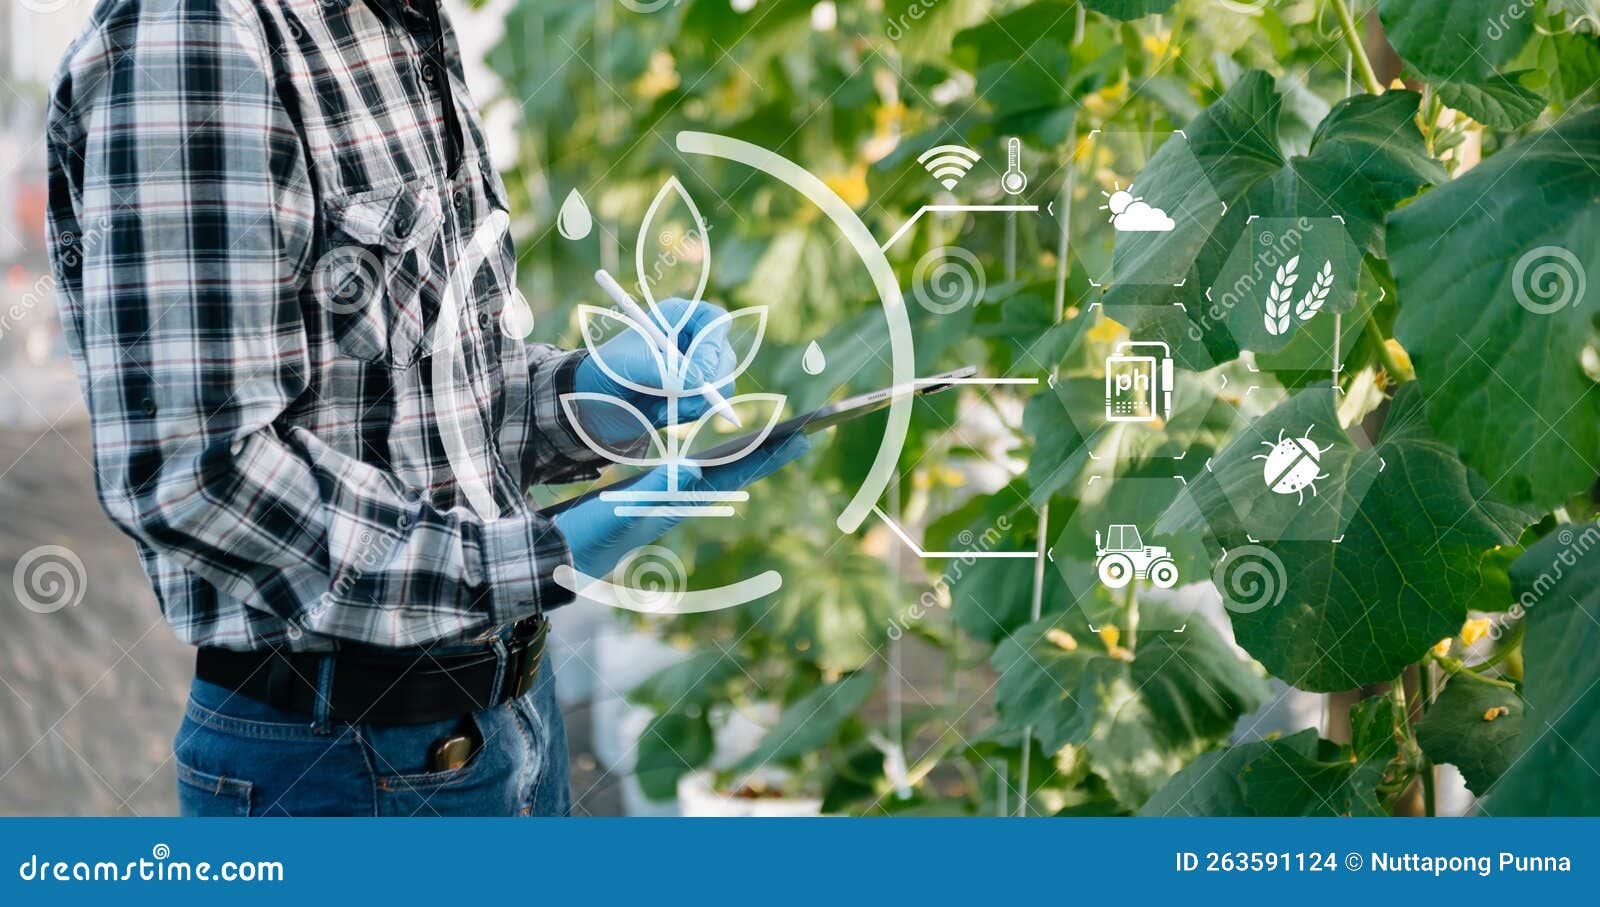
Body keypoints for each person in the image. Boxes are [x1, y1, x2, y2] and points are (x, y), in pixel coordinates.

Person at [44, 0, 806, 817]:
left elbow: (422, 404)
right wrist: (527, 559)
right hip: (340, 763)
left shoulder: (402, 22)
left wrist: (592, 398)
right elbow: (197, 473)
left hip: (513, 720)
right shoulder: (197, 33)